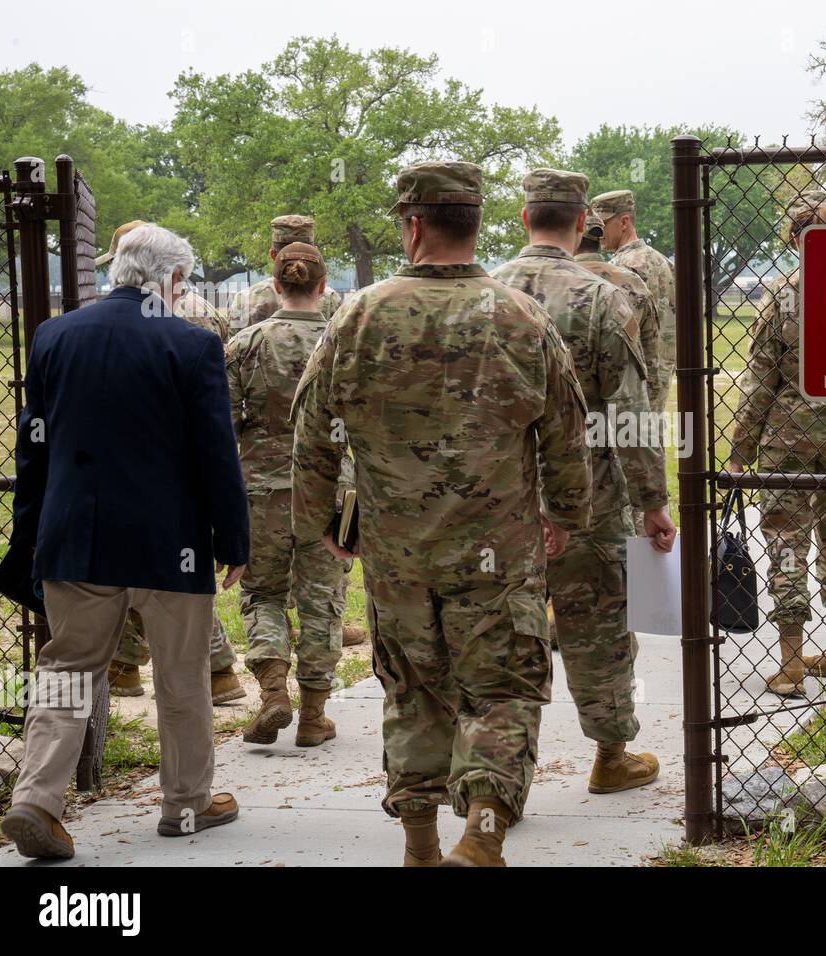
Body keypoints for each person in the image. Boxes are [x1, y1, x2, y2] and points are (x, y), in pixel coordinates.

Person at [291, 161, 592, 867]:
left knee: (412, 690)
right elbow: (566, 433)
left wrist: (322, 526)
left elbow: (311, 436)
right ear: (477, 224)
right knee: (502, 688)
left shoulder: (357, 316)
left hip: (396, 553)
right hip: (499, 550)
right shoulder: (522, 317)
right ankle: (482, 833)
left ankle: (420, 846)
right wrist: (565, 514)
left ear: (413, 225)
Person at [1, 224, 249, 860]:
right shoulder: (192, 344)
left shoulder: (53, 335)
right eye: (183, 282)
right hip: (172, 543)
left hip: (75, 537)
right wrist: (233, 539)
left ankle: (36, 799)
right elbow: (216, 452)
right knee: (182, 674)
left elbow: (33, 447)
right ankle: (186, 803)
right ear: (171, 278)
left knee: (65, 670)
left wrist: (32, 536)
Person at [493, 169, 675, 797]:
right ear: (581, 223)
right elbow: (629, 412)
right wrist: (652, 500)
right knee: (598, 624)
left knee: (506, 630)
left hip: (503, 496)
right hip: (591, 490)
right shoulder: (602, 299)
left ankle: (501, 775)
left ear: (525, 219)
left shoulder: (486, 294)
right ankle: (610, 755)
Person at [726, 191, 826, 697]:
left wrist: (740, 453)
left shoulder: (783, 297)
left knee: (787, 544)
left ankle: (790, 664)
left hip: (787, 437)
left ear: (793, 240)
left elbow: (759, 382)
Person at [96, 220, 245, 704]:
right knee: (173, 573)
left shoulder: (149, 317)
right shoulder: (206, 312)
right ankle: (200, 671)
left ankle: (209, 668)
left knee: (148, 575)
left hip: (148, 455)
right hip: (201, 448)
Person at [225, 242, 355, 748]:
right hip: (332, 491)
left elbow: (224, 424)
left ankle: (274, 691)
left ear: (275, 284)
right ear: (324, 286)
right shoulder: (345, 343)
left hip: (262, 491)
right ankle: (314, 716)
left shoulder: (246, 344)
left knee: (263, 593)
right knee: (323, 598)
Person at [574, 210, 664, 535]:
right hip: (617, 435)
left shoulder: (530, 283)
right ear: (598, 237)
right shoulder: (631, 285)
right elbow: (648, 368)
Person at [592, 189, 676, 465]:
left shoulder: (621, 268)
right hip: (661, 370)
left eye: (603, 224)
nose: (598, 232)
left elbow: (618, 330)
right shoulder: (662, 261)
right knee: (651, 451)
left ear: (624, 221)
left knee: (626, 459)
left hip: (632, 378)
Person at [227, 215, 343, 334]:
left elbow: (233, 342)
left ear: (272, 254)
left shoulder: (245, 299)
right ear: (315, 253)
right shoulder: (331, 300)